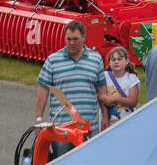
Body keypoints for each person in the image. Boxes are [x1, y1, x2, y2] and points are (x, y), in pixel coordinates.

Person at [35, 21, 108, 153]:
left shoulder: (96, 59)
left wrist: (105, 116)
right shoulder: (53, 60)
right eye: (68, 39)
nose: (71, 43)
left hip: (89, 129)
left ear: (84, 38)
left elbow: (102, 90)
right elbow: (43, 90)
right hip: (61, 130)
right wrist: (38, 119)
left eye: (75, 39)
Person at [101, 45, 139, 126]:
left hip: (127, 122)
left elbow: (133, 102)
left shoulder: (132, 78)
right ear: (109, 62)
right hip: (109, 123)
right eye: (113, 59)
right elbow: (99, 94)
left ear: (126, 61)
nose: (116, 62)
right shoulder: (104, 76)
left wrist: (114, 98)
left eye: (119, 59)